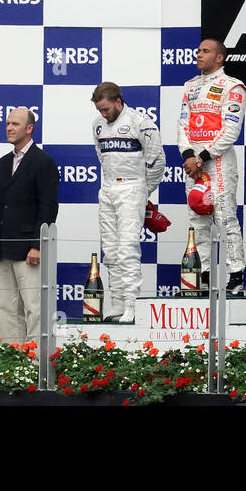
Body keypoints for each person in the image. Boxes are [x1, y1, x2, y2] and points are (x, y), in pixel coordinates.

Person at [178, 38, 246, 294]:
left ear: (220, 58)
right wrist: (188, 155)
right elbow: (183, 126)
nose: (198, 55)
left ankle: (235, 276)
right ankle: (201, 276)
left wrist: (202, 157)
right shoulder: (190, 86)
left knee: (225, 217)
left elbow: (231, 131)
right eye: (197, 51)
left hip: (218, 161)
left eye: (205, 51)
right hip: (193, 163)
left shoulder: (233, 87)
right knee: (197, 219)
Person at [91, 82, 163, 324]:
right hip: (108, 187)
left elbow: (156, 162)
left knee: (127, 248)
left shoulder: (141, 122)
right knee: (110, 250)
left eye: (107, 109)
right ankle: (118, 304)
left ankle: (132, 305)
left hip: (132, 187)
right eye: (100, 110)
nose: (103, 114)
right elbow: (102, 157)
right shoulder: (98, 125)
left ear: (119, 102)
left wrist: (143, 191)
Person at [0, 107, 58, 345]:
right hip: (4, 246)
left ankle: (36, 363)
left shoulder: (44, 162)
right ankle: (13, 361)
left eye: (15, 124)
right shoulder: (2, 162)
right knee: (6, 307)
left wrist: (37, 245)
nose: (8, 127)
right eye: (7, 123)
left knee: (33, 308)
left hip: (29, 249)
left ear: (29, 128)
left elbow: (48, 207)